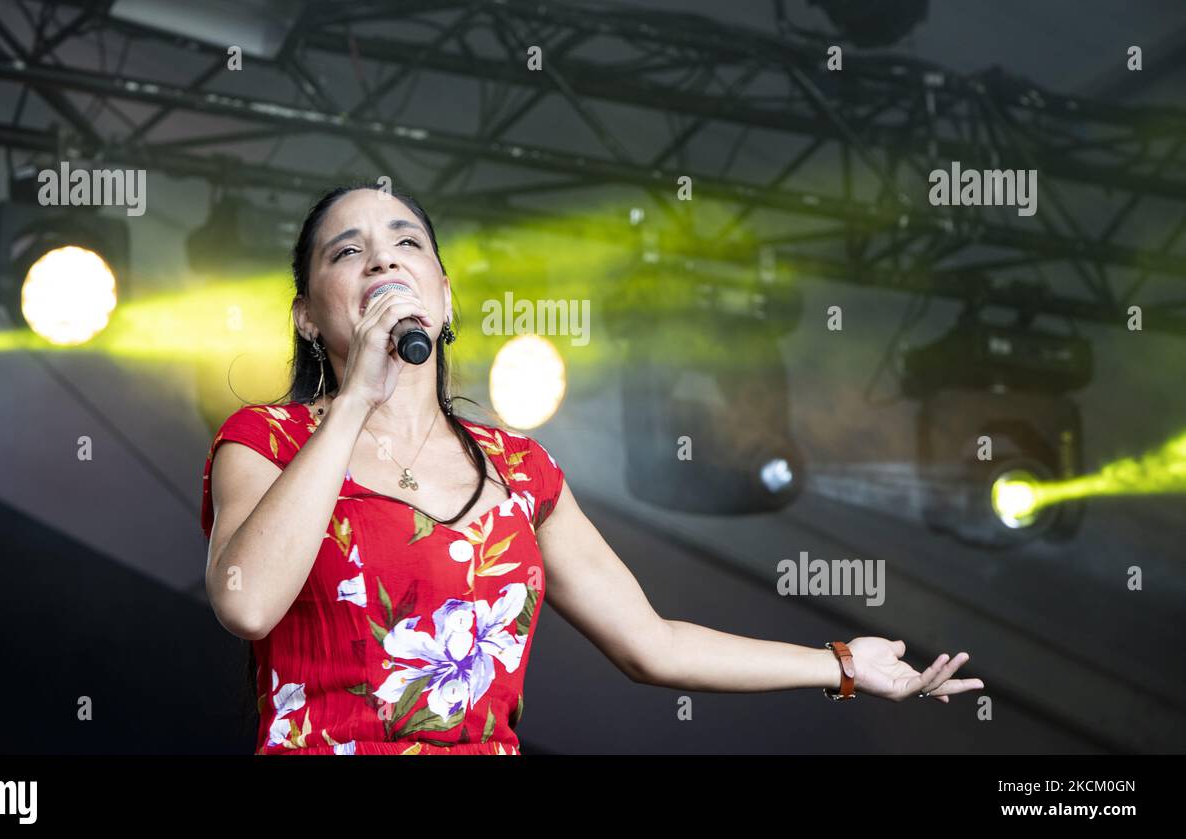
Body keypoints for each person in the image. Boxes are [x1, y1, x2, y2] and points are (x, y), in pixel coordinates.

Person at [198, 182, 985, 755]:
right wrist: (355, 403)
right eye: (348, 252)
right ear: (307, 312)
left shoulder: (519, 469)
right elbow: (248, 606)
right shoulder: (267, 440)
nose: (383, 262)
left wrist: (841, 664)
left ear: (443, 295)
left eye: (407, 243)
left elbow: (653, 644)